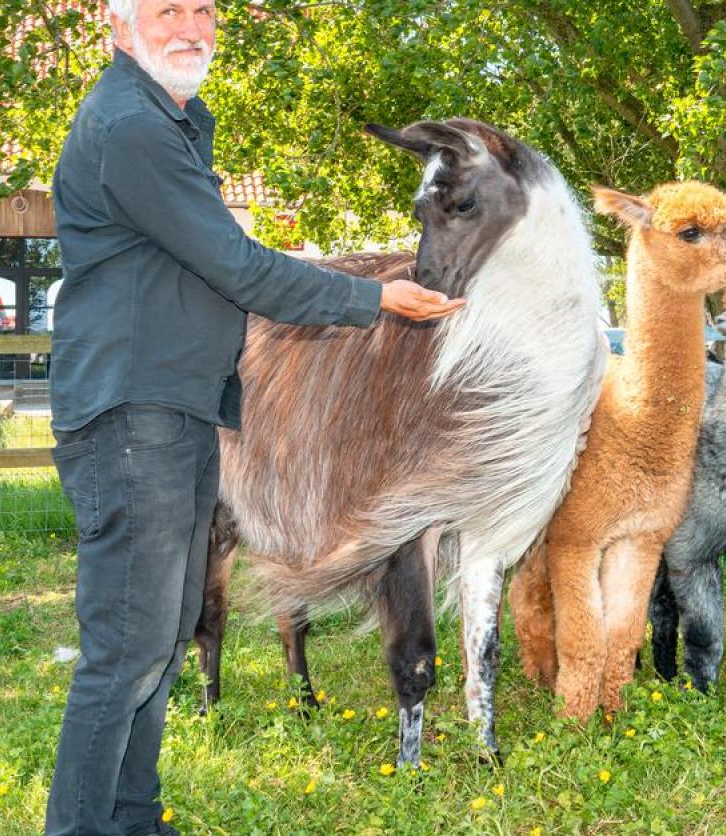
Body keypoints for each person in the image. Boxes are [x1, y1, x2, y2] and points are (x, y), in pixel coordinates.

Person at [43, 2, 463, 833]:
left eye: (204, 9)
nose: (193, 24)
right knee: (125, 654)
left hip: (179, 410)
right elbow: (238, 266)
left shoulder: (171, 121)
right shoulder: (130, 125)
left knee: (158, 649)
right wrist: (375, 296)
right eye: (169, 10)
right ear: (116, 24)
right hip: (133, 418)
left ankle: (133, 819)